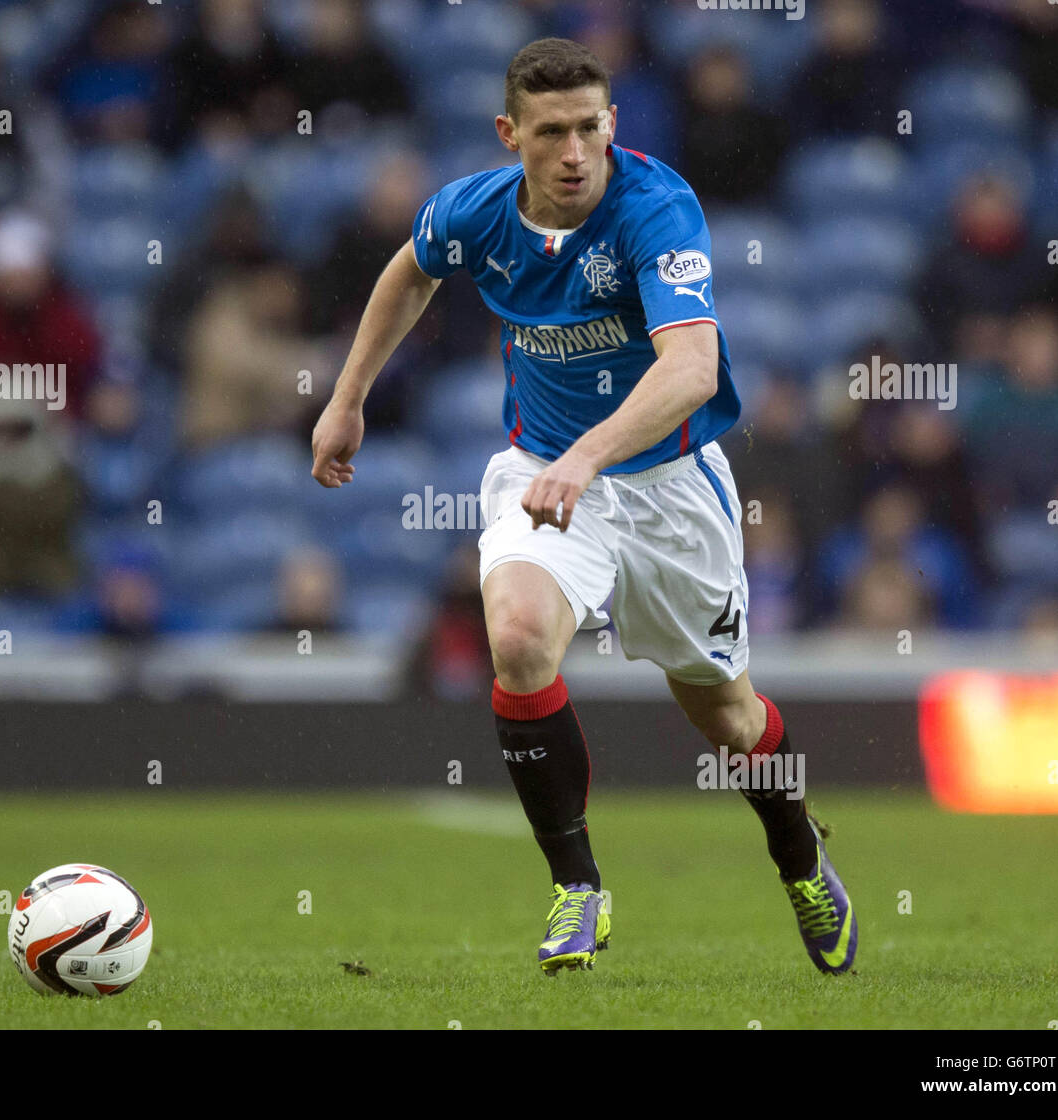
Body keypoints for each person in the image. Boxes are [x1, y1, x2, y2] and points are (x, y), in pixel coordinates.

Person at [310, 38, 856, 977]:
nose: (574, 152)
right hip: (541, 472)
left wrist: (589, 457)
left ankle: (801, 855)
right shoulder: (473, 212)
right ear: (509, 133)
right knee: (517, 639)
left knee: (726, 716)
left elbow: (689, 371)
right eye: (552, 131)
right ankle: (578, 889)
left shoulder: (657, 209)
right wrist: (349, 396)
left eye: (590, 127)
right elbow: (411, 269)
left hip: (670, 488)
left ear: (613, 125)